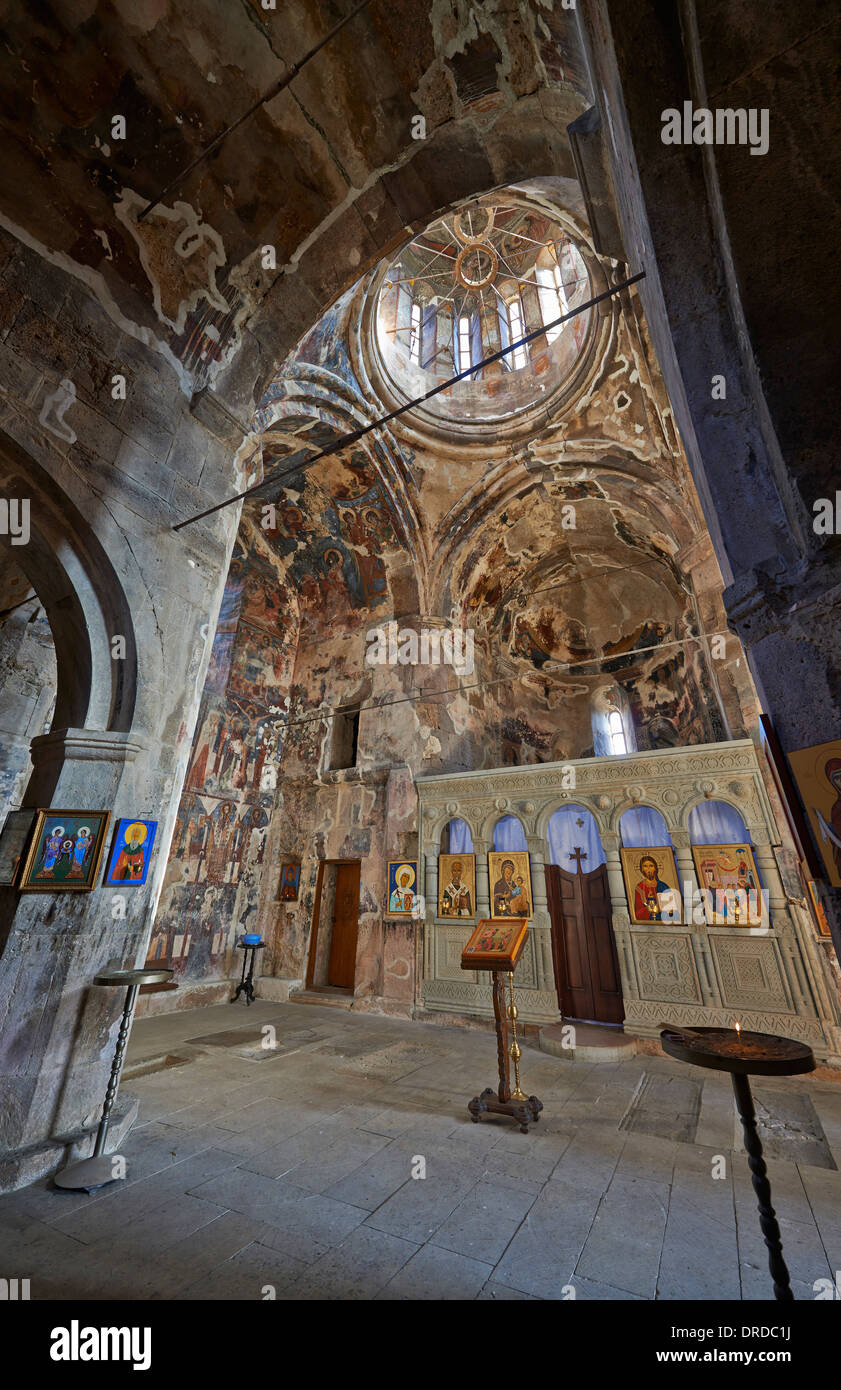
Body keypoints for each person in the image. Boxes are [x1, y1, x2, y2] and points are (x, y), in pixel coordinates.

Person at [633, 854, 676, 921]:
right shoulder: (640, 887)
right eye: (645, 866)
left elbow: (672, 909)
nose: (648, 869)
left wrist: (670, 910)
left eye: (651, 866)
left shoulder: (663, 886)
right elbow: (638, 913)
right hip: (649, 922)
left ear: (655, 868)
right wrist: (651, 908)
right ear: (642, 869)